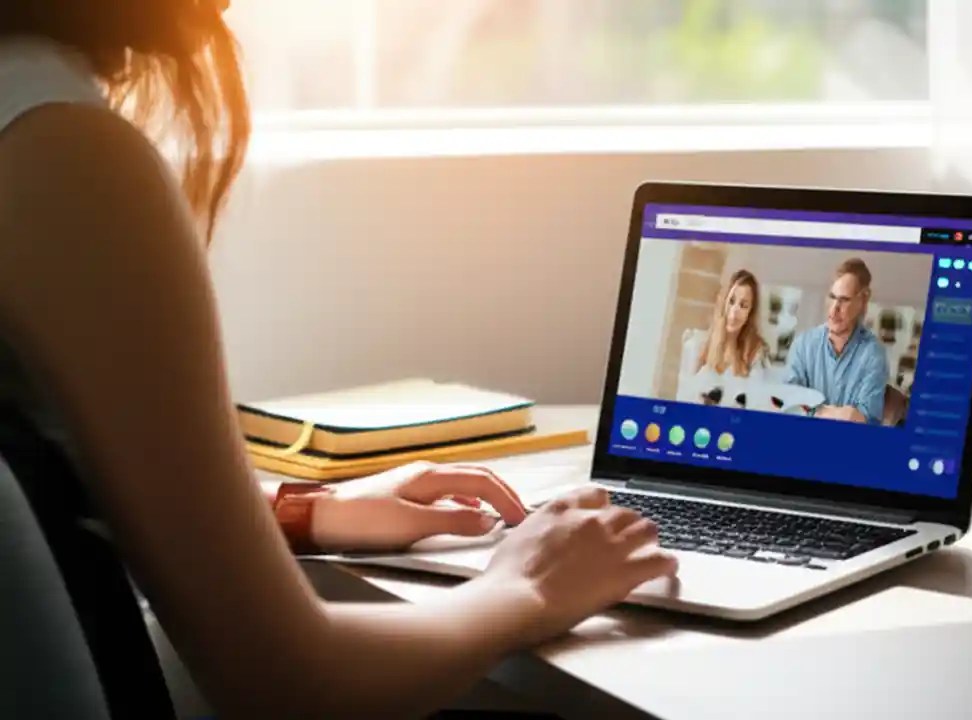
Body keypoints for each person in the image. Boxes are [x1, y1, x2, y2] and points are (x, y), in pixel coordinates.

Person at [0, 3, 675, 718]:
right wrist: (526, 586)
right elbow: (290, 681)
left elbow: (63, 475)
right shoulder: (59, 150)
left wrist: (306, 513)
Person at [785, 258, 890, 424]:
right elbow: (788, 406)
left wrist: (813, 409)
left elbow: (864, 420)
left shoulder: (874, 354)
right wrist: (842, 414)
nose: (834, 309)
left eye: (844, 300)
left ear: (862, 301)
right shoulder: (803, 346)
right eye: (832, 297)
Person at [694, 269, 770, 382]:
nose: (734, 312)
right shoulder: (701, 343)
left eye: (743, 305)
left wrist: (732, 345)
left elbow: (757, 394)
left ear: (750, 312)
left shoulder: (757, 352)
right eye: (731, 301)